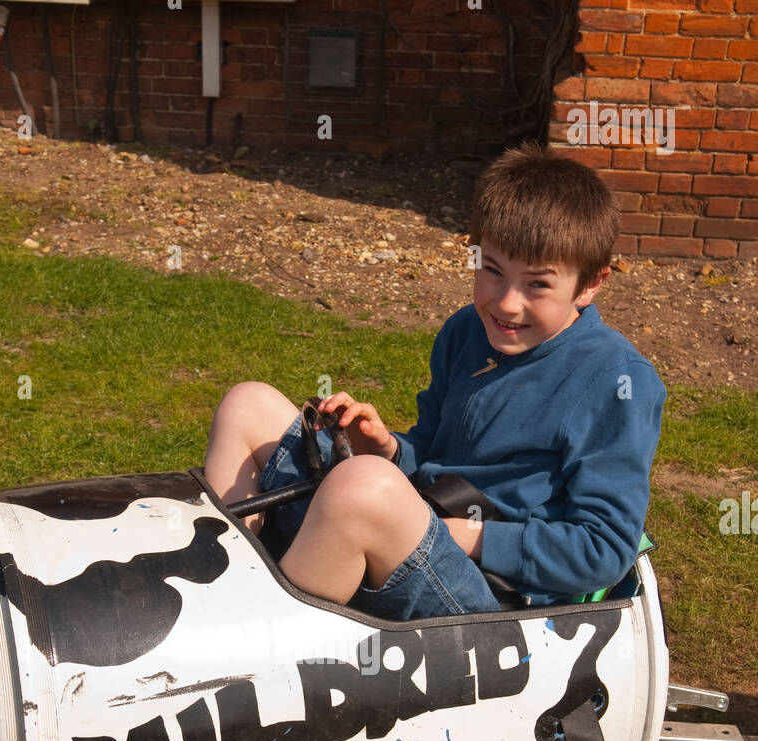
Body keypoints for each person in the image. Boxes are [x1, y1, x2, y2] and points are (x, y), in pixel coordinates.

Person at [202, 140, 667, 620]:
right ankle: (225, 581)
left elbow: (604, 549)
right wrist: (387, 450)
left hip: (497, 595)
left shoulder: (615, 382)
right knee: (248, 404)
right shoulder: (467, 332)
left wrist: (469, 535)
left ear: (591, 284)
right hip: (423, 526)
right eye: (492, 270)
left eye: (538, 284)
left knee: (362, 487)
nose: (507, 303)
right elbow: (435, 455)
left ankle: (267, 644)